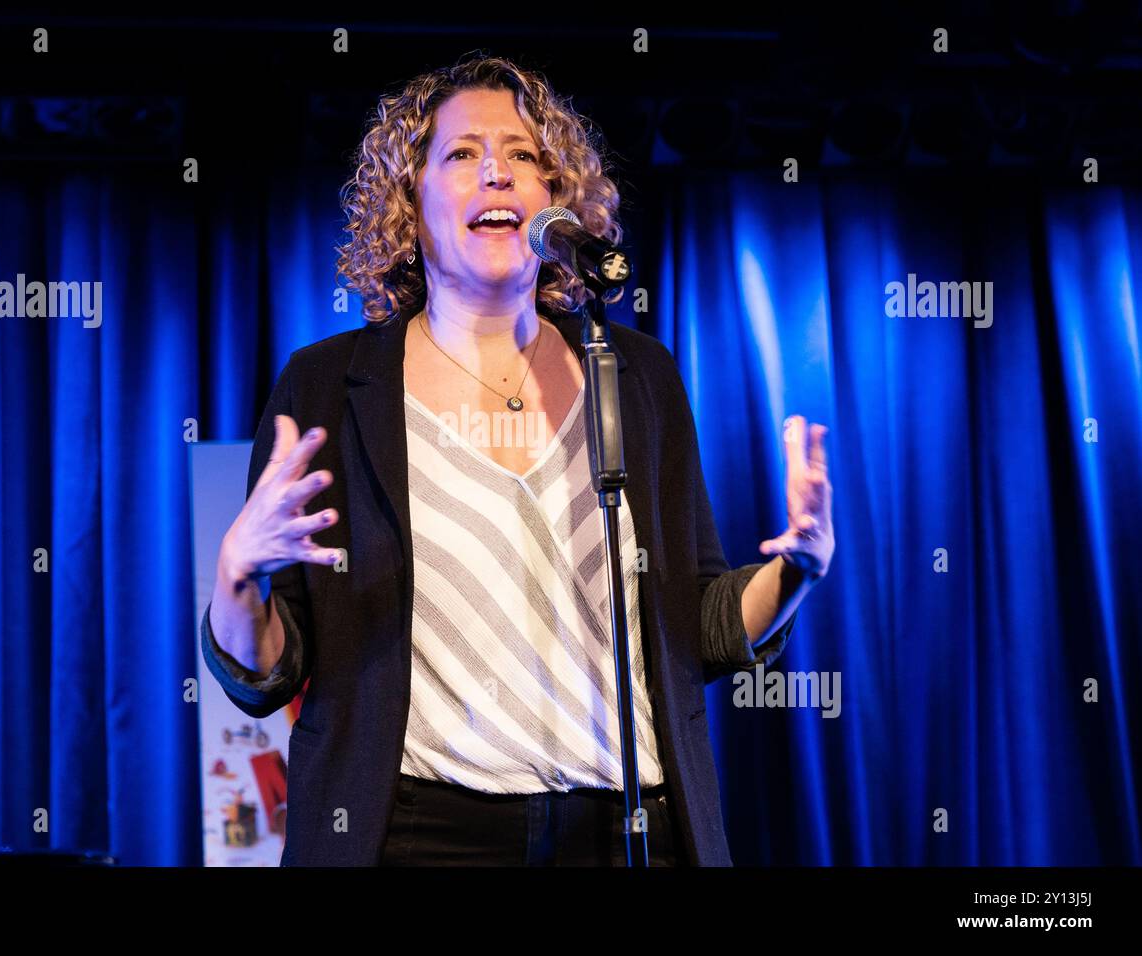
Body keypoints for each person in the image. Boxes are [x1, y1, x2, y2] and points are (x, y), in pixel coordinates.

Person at [200, 54, 834, 866]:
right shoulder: (327, 385)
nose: (497, 172)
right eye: (462, 155)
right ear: (411, 204)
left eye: (525, 155)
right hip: (419, 836)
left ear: (555, 202)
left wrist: (798, 573)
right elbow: (266, 676)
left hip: (627, 830)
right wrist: (237, 576)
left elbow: (700, 632)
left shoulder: (634, 374)